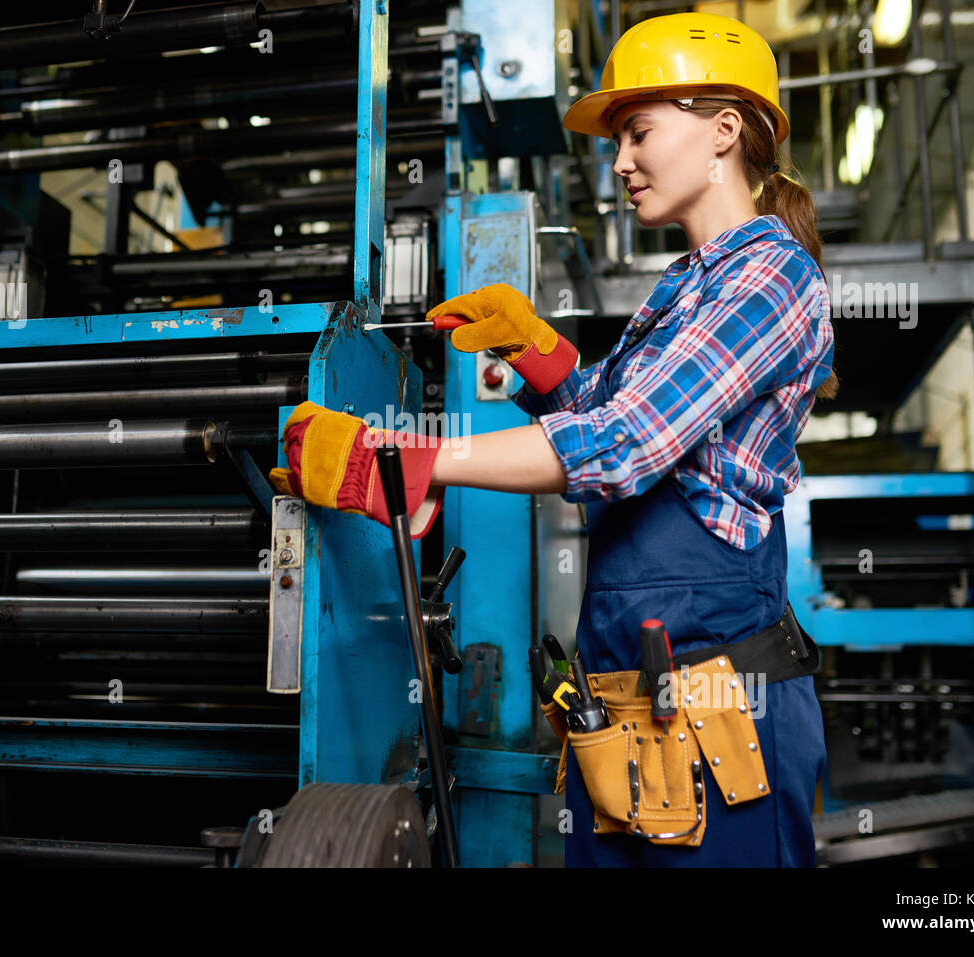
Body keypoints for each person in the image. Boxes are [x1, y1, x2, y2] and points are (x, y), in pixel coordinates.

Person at [267, 11, 837, 867]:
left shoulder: (774, 276)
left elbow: (628, 442)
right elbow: (609, 406)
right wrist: (540, 355)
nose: (621, 162)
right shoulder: (687, 284)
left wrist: (412, 463)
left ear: (724, 131)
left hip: (723, 729)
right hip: (629, 719)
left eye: (638, 131)